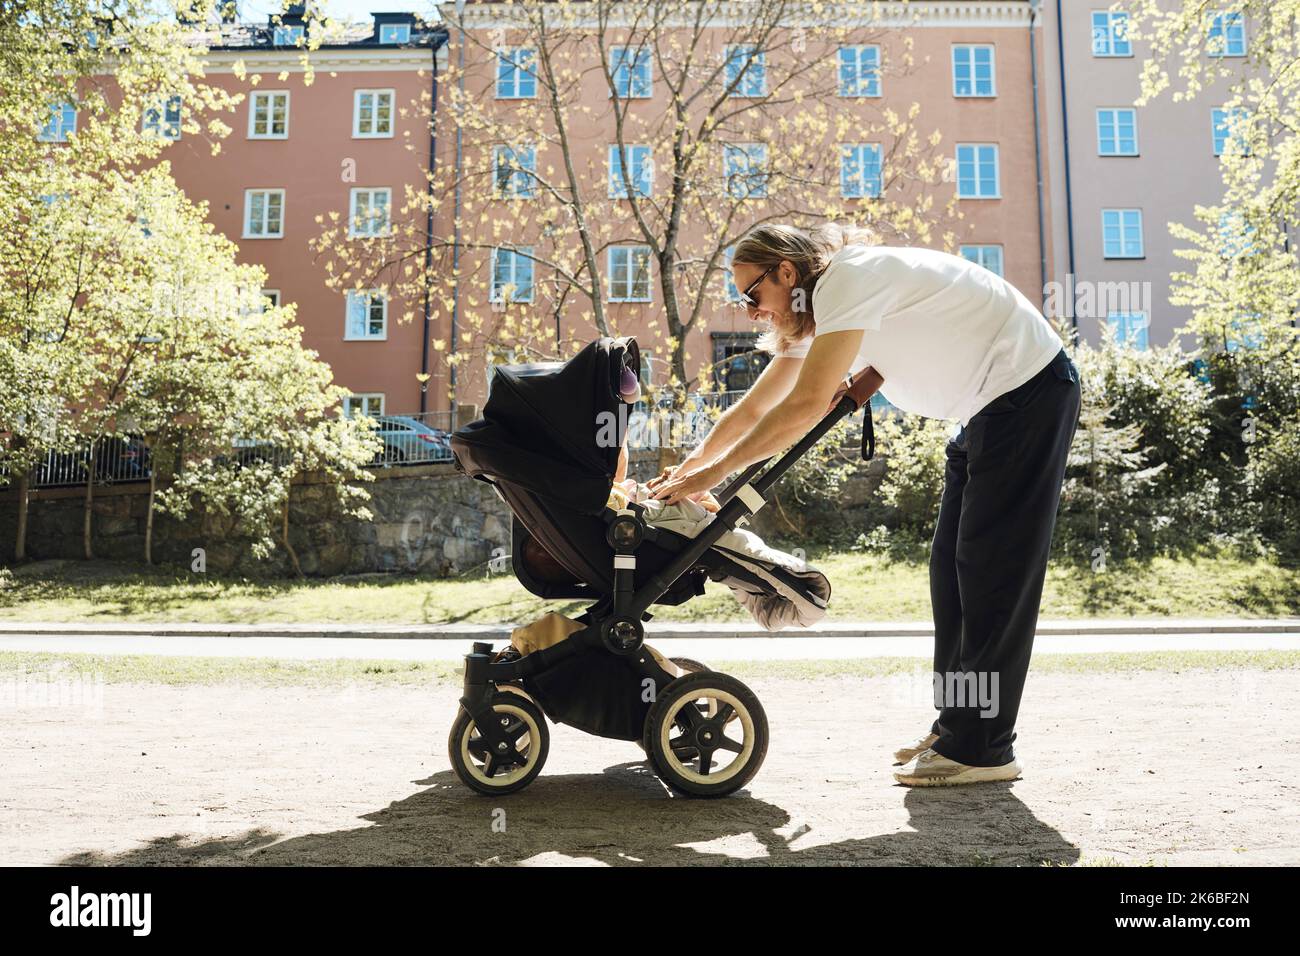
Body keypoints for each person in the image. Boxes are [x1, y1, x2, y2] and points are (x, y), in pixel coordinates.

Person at [648, 223, 1081, 786]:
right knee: (952, 574)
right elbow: (753, 410)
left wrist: (713, 474)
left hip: (1027, 394)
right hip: (985, 412)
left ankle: (983, 749)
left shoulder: (844, 280)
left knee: (992, 573)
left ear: (785, 272)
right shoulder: (828, 305)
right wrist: (687, 473)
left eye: (751, 294)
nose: (750, 310)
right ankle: (958, 728)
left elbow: (805, 403)